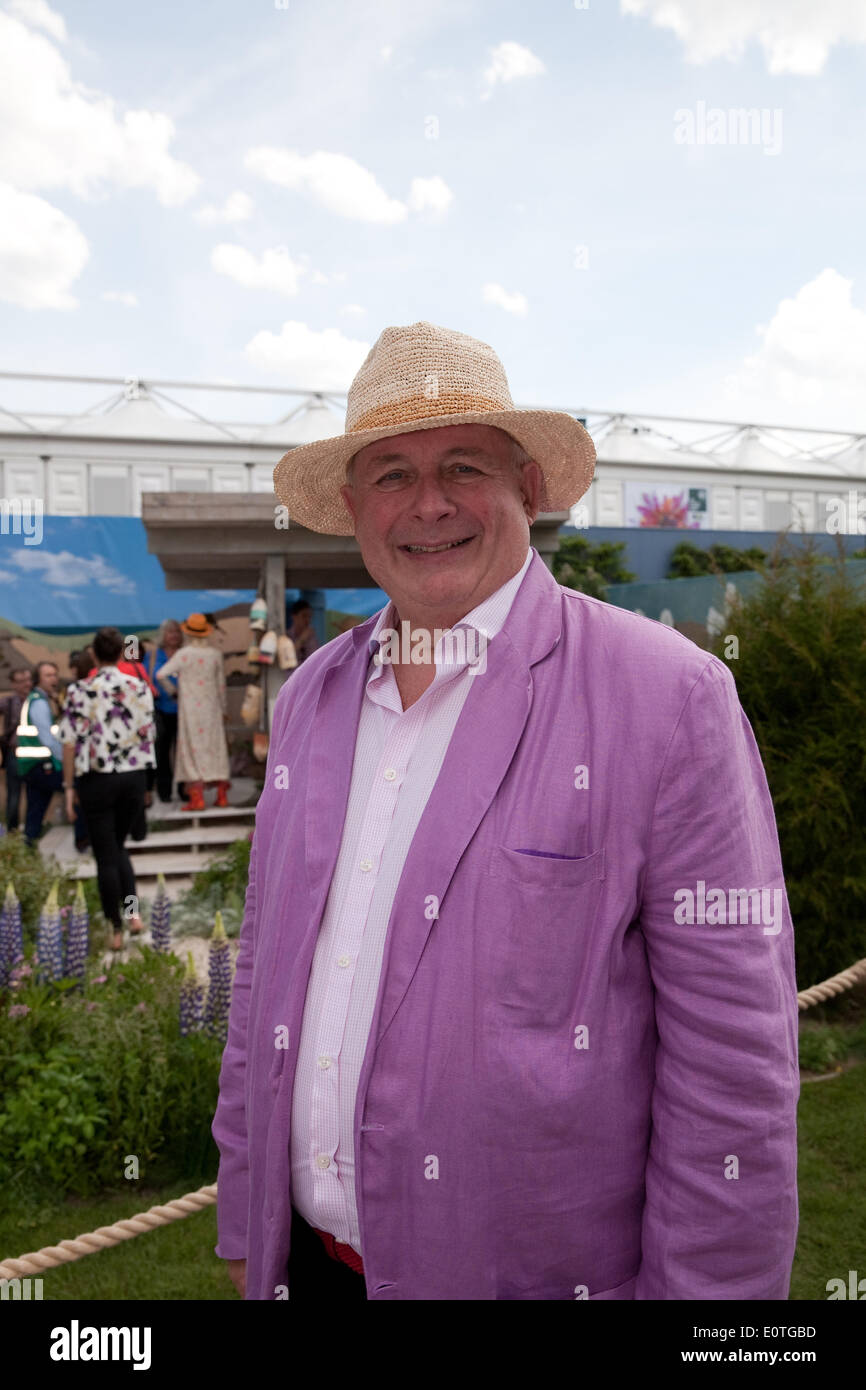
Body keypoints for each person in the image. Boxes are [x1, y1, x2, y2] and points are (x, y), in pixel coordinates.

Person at [212, 321, 799, 1302]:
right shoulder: (310, 699)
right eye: (391, 475)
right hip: (306, 1269)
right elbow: (262, 973)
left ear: (527, 486)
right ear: (354, 508)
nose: (428, 503)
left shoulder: (664, 696)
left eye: (462, 465)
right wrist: (246, 1214)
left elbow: (732, 1069)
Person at [58, 627, 155, 952]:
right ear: (120, 653)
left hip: (97, 779)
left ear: (95, 655)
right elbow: (148, 735)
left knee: (106, 856)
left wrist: (69, 787)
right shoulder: (139, 686)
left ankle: (116, 928)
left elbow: (69, 743)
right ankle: (133, 916)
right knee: (119, 847)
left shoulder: (79, 690)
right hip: (133, 777)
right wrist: (148, 785)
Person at [156, 614, 231, 812]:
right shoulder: (215, 654)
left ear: (187, 631)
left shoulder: (184, 654)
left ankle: (197, 798)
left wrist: (175, 691)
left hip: (190, 709)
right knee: (214, 747)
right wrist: (223, 709)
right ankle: (221, 795)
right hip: (212, 707)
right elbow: (221, 686)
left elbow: (161, 674)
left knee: (192, 750)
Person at [17, 661, 63, 846]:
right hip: (40, 764)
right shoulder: (38, 702)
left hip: (31, 764)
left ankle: (29, 844)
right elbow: (47, 738)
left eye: (55, 674)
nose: (54, 679)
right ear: (38, 679)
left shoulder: (38, 699)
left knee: (35, 808)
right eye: (48, 675)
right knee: (76, 789)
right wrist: (65, 761)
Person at [144, 619, 186, 803]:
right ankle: (164, 790)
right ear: (163, 635)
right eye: (170, 632)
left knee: (183, 752)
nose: (174, 636)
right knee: (161, 750)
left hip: (185, 710)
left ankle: (185, 790)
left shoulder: (186, 654)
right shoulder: (153, 655)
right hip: (160, 709)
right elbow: (147, 677)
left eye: (177, 632)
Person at [0, 665, 33, 831]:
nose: (25, 684)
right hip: (15, 754)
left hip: (35, 755)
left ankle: (31, 831)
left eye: (27, 680)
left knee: (34, 796)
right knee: (14, 795)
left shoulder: (37, 700)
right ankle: (13, 832)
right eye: (21, 681)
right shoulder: (9, 702)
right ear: (13, 684)